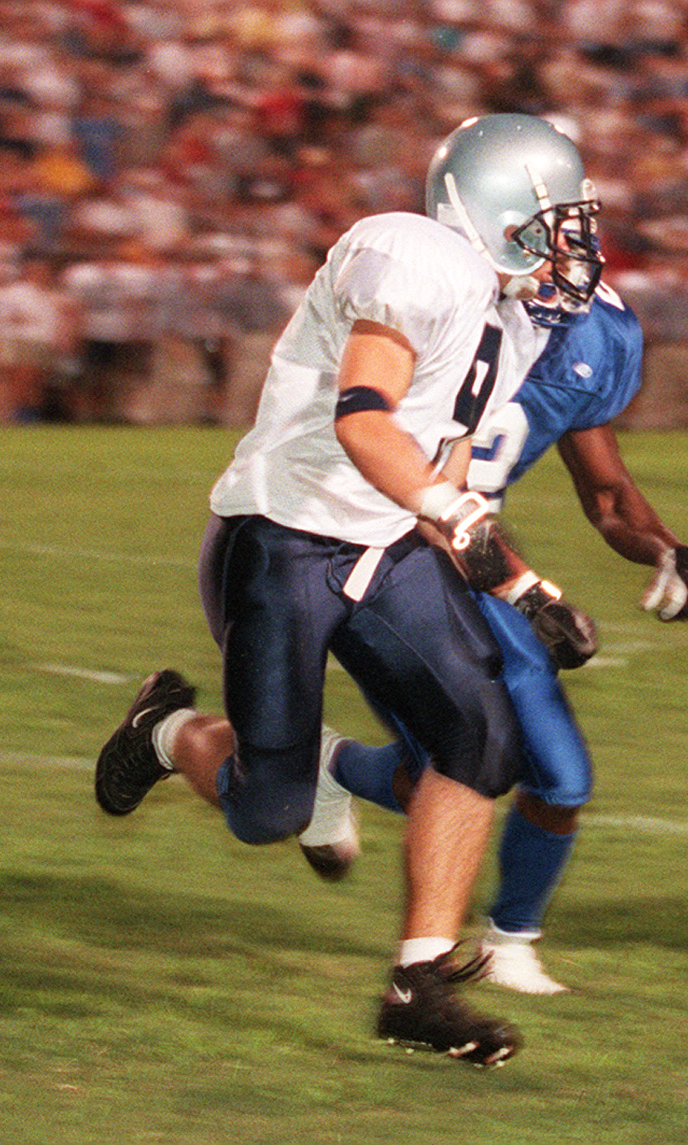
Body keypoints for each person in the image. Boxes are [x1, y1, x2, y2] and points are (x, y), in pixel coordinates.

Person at [92, 114, 609, 1065]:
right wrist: (449, 518)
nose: (568, 249)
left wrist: (528, 590)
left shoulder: (498, 321)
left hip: (384, 547)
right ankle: (164, 730)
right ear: (491, 211)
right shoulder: (415, 257)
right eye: (551, 225)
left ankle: (418, 982)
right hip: (280, 542)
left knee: (482, 739)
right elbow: (366, 420)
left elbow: (440, 486)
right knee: (268, 810)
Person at [297, 276, 688, 995]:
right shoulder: (429, 296)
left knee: (559, 777)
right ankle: (333, 785)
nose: (563, 248)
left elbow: (607, 492)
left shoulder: (594, 332)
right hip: (390, 556)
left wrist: (669, 549)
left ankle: (506, 937)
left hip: (482, 562)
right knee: (466, 769)